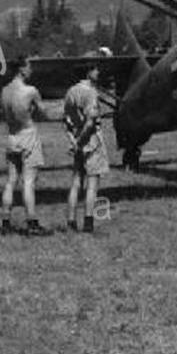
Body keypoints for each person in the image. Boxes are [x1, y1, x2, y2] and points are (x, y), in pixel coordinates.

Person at [0, 60, 47, 236]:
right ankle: (32, 222)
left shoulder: (4, 91)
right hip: (28, 135)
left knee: (11, 181)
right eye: (29, 66)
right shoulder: (30, 91)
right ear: (21, 69)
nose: (31, 70)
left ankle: (5, 221)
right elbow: (44, 112)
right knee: (28, 182)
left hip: (12, 137)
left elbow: (4, 113)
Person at [63, 64, 109, 233]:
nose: (99, 72)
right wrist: (81, 141)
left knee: (76, 182)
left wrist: (74, 142)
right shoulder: (90, 92)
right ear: (89, 72)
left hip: (76, 140)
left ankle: (71, 221)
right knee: (92, 183)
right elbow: (90, 123)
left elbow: (66, 122)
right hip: (90, 141)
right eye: (96, 69)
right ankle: (88, 222)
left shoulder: (70, 92)